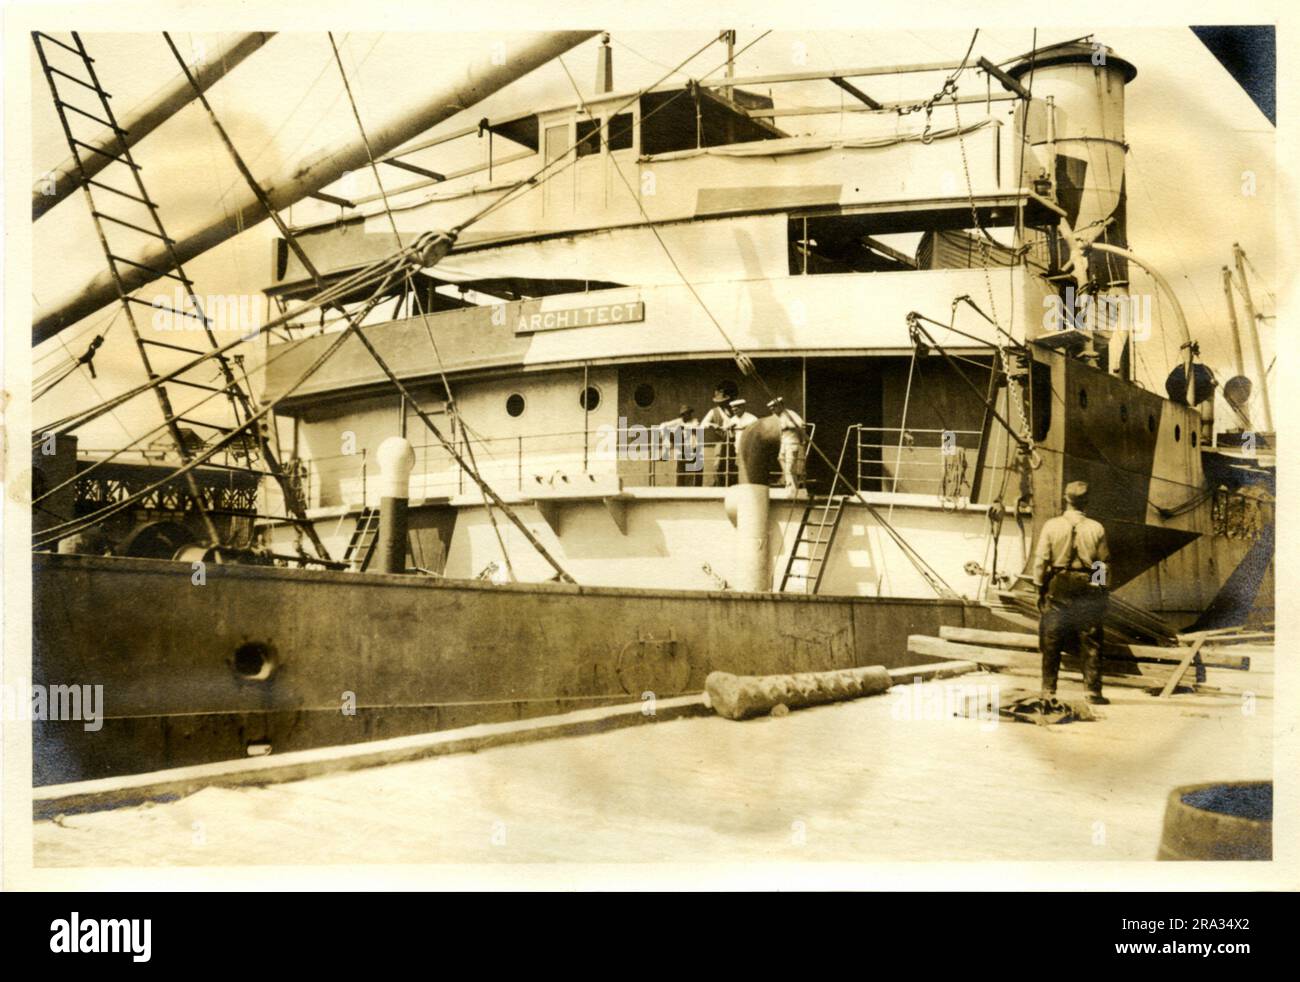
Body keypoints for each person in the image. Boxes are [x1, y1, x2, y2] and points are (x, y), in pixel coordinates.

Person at [1032, 480, 1111, 705]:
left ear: (1066, 500)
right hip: (1086, 584)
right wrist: (1098, 587)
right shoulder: (1096, 528)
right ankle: (1093, 692)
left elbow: (1041, 561)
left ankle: (1048, 691)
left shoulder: (1051, 526)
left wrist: (1039, 586)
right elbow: (1102, 562)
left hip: (1058, 584)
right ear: (1086, 502)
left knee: (1051, 638)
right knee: (1091, 638)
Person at [768, 397, 806, 495]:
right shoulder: (778, 417)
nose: (772, 410)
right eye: (771, 408)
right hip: (784, 442)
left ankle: (793, 488)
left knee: (790, 465)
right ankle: (789, 482)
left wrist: (788, 425)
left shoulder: (790, 414)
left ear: (780, 406)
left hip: (792, 442)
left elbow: (800, 424)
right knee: (780, 458)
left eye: (774, 407)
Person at [656, 405, 701, 486]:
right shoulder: (679, 421)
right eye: (684, 414)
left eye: (688, 413)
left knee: (691, 472)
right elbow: (663, 425)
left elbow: (696, 426)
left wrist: (683, 427)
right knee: (680, 471)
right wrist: (664, 433)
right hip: (681, 449)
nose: (687, 415)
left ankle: (690, 490)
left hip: (691, 449)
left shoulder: (694, 421)